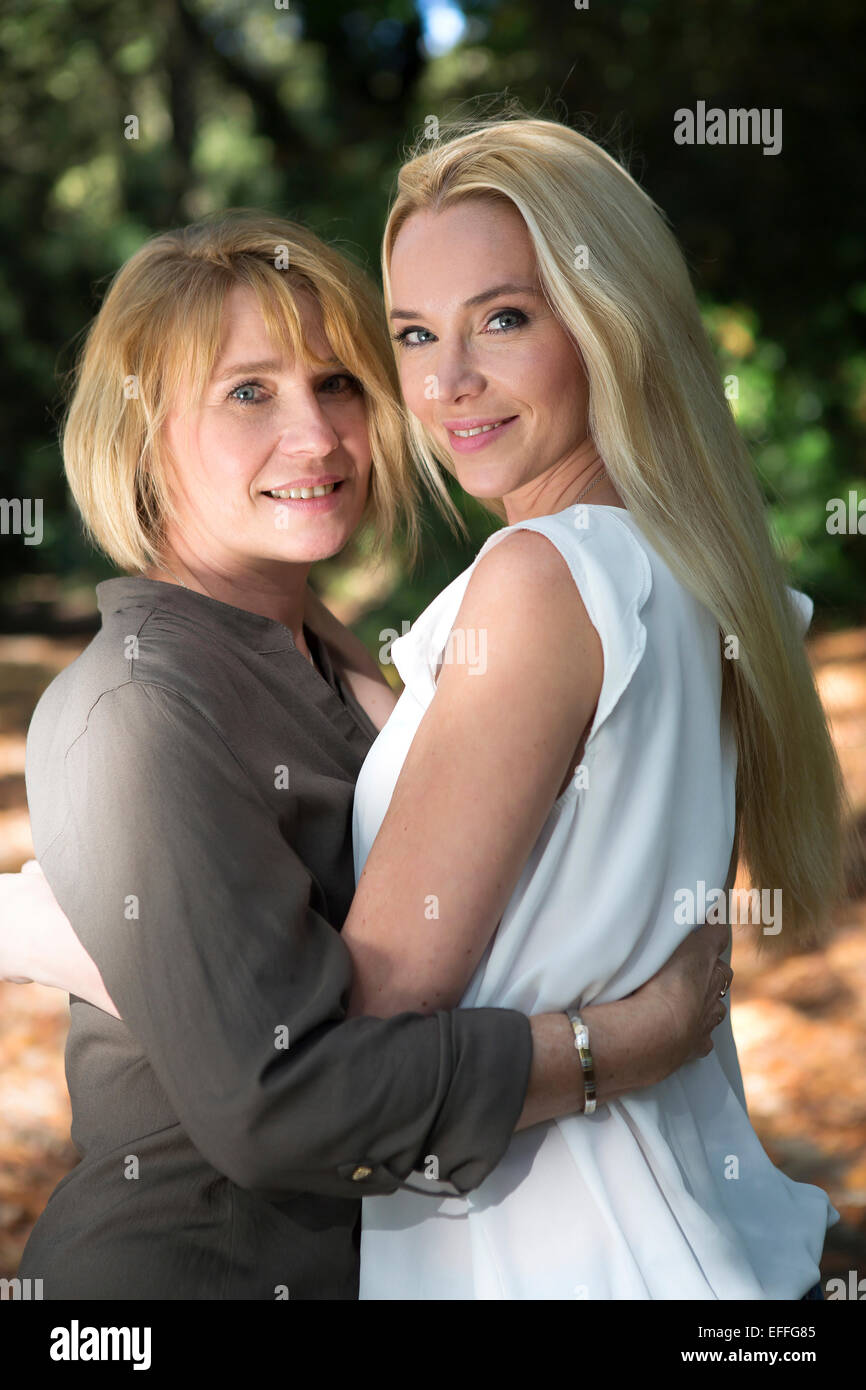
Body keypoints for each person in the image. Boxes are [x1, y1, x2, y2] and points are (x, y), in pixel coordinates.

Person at [0, 211, 728, 1301]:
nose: (317, 436)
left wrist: (79, 948)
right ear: (141, 431)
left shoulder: (350, 664)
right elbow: (279, 1101)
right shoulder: (137, 708)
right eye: (249, 392)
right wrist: (611, 1047)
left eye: (337, 382)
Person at [332, 116, 848, 1299]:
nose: (446, 380)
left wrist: (73, 936)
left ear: (606, 320)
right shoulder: (686, 569)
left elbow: (369, 1026)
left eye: (501, 318)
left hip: (553, 1253)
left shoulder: (539, 581)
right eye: (415, 333)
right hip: (664, 1233)